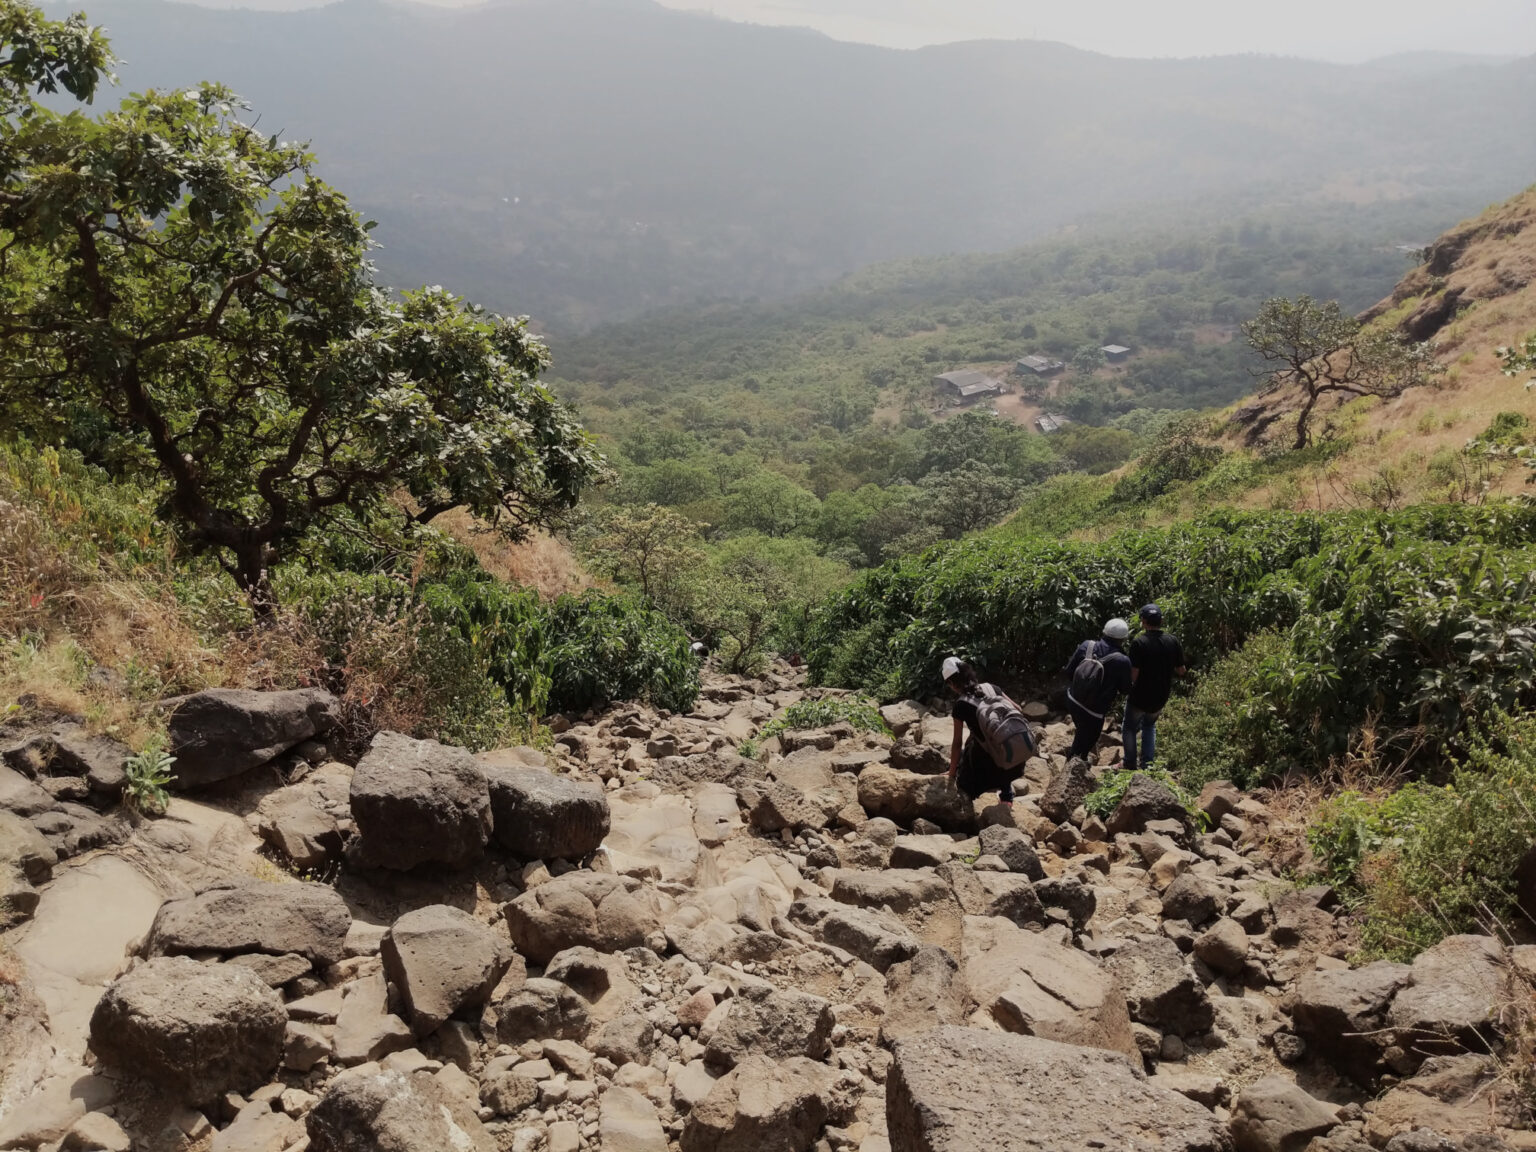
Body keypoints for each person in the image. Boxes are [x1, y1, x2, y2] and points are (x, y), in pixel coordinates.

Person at [941, 657, 1029, 806]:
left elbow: (957, 744)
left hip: (991, 767)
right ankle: (1006, 797)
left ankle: (968, 807)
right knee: (992, 741)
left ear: (951, 683)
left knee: (965, 782)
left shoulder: (960, 705)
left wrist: (951, 772)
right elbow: (1018, 710)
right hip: (1015, 759)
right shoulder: (992, 687)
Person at [1124, 603, 1186, 773]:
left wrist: (1126, 688)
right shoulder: (1173, 641)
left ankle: (1129, 764)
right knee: (1149, 726)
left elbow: (1134, 673)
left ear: (1143, 621)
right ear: (1162, 620)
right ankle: (1148, 765)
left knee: (1129, 727)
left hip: (1140, 696)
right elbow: (1181, 670)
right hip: (1161, 696)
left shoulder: (1139, 642)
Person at [1063, 618, 1133, 762]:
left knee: (1082, 732)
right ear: (1124, 639)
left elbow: (1069, 672)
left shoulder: (1086, 646)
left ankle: (1077, 763)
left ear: (1104, 632)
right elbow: (1125, 689)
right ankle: (1073, 767)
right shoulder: (1123, 661)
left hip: (1073, 700)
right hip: (1094, 711)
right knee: (1087, 740)